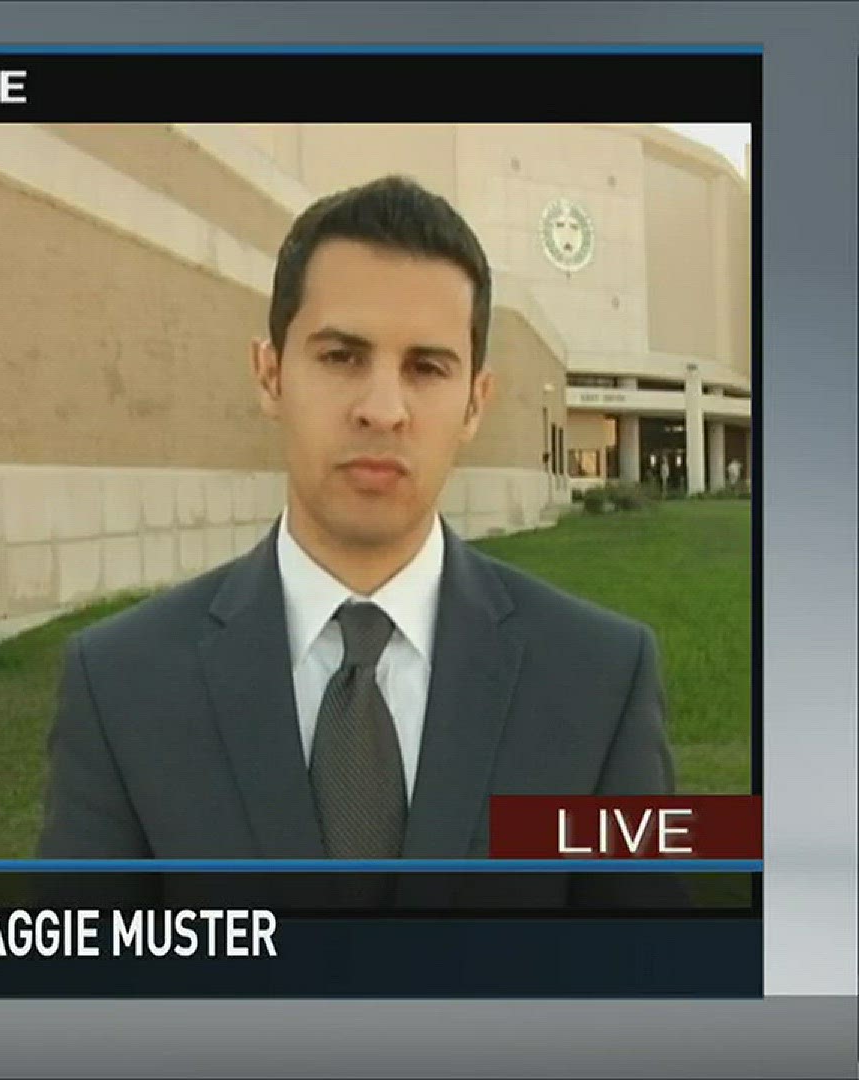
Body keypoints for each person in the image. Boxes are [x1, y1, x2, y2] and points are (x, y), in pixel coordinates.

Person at [36, 177, 677, 905]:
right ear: (270, 374)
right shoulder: (123, 685)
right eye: (341, 357)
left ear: (475, 403)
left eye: (426, 368)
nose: (382, 409)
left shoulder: (597, 680)